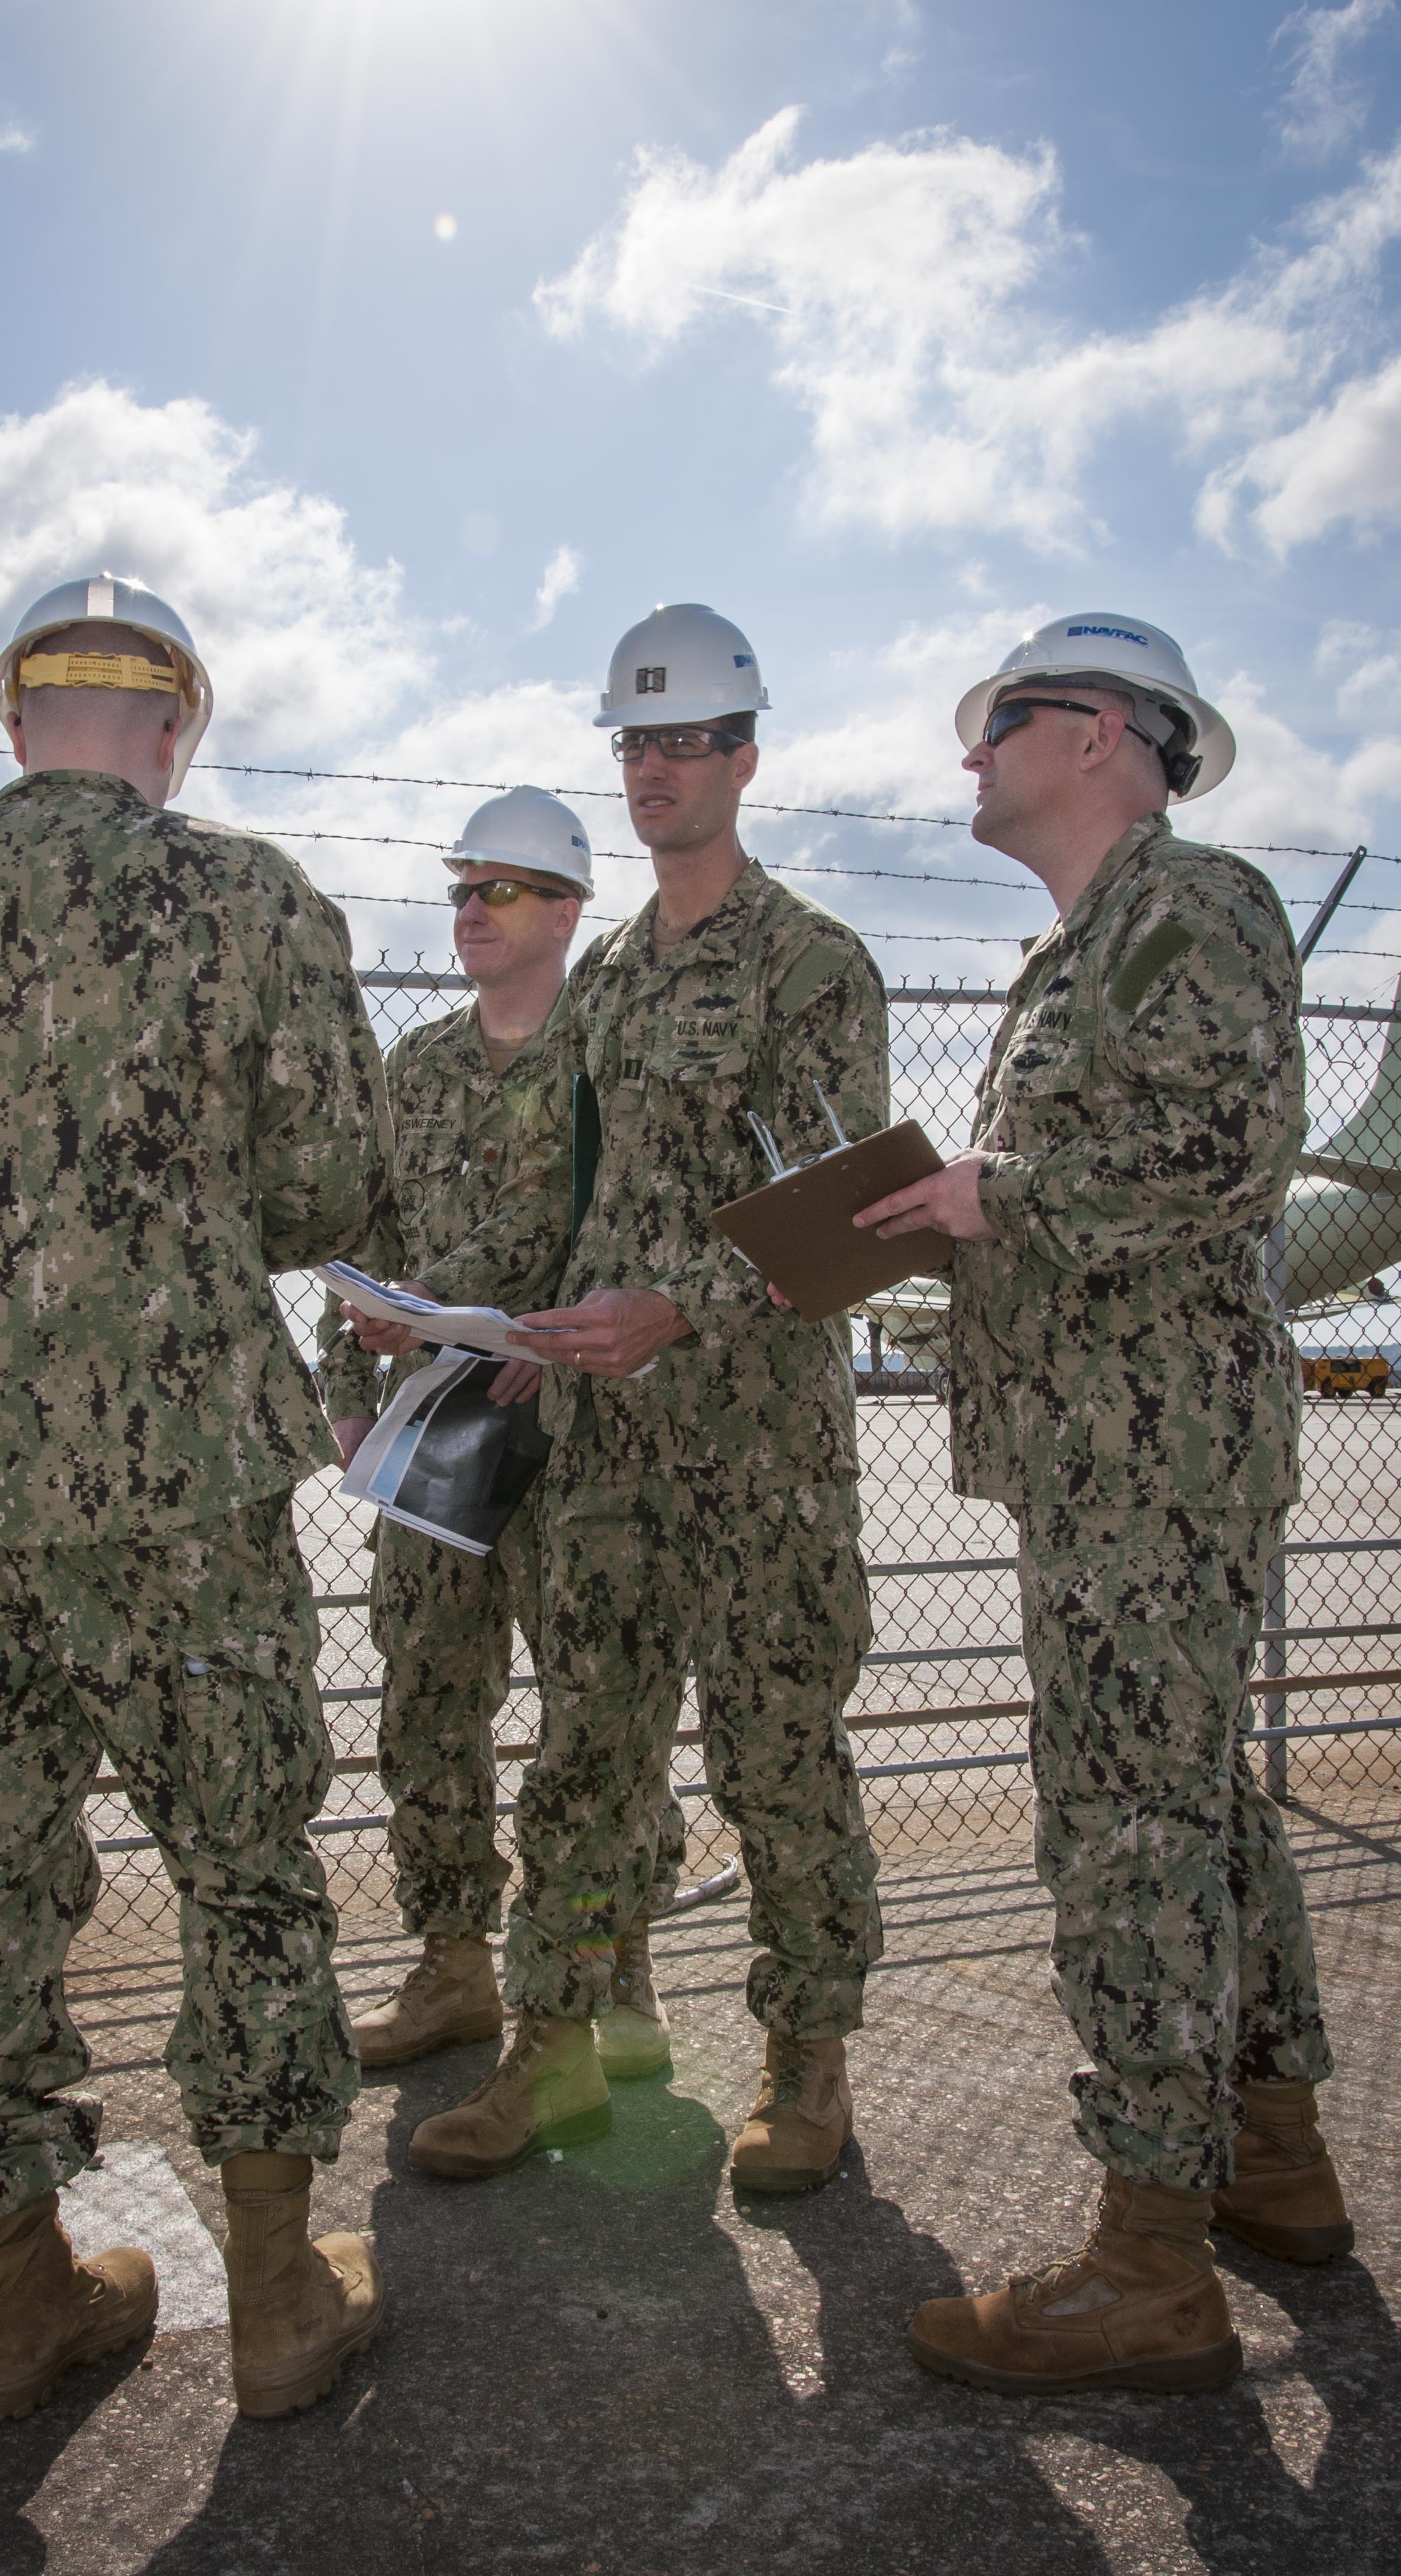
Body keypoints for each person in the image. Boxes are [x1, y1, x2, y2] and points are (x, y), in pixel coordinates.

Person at [0, 573, 392, 2426]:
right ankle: (277, 2300)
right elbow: (332, 1183)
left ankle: (16, 2305)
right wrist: (174, 1243)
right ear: (175, 729)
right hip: (188, 1500)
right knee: (249, 1881)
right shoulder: (253, 898)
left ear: (20, 721)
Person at [855, 610, 1351, 2397]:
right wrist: (935, 1226)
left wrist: (1002, 1198)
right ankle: (1275, 2166)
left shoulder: (1190, 907)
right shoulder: (1071, 956)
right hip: (1107, 1461)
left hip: (1157, 1469)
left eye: (1003, 722)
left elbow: (1229, 1156)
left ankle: (1151, 2258)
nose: (971, 752)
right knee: (1196, 1811)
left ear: (1105, 737)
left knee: (1127, 1835)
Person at [397, 603, 889, 2187]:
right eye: (638, 743)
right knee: (590, 1761)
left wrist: (686, 1307)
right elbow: (589, 1200)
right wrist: (487, 1330)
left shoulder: (813, 963)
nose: (660, 768)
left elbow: (852, 1217)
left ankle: (807, 2065)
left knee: (777, 1755)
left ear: (746, 756)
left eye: (690, 741)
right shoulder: (604, 974)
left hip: (759, 1449)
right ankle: (560, 2050)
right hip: (606, 1445)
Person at [320, 789, 688, 2082]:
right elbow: (356, 1234)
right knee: (426, 1700)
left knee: (600, 1719)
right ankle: (452, 1967)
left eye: (503, 887)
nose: (471, 907)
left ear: (567, 909)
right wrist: (351, 1379)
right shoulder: (414, 1065)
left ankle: (612, 1975)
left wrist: (492, 1320)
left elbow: (607, 1218)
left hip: (581, 1432)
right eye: (463, 886)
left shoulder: (610, 1053)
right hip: (436, 1427)